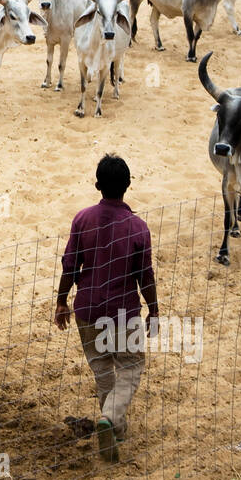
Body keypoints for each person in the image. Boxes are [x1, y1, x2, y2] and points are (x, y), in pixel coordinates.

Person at [54, 154, 159, 463]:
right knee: (130, 367)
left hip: (87, 309)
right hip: (123, 312)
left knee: (101, 367)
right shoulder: (139, 228)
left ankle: (115, 425)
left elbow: (70, 267)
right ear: (128, 186)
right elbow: (145, 277)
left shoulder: (82, 219)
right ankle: (112, 419)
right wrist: (154, 310)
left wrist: (61, 301)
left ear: (97, 185)